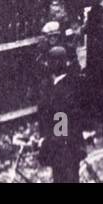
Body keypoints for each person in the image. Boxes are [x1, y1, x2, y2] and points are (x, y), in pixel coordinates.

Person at [37, 46, 88, 183]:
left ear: (57, 64)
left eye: (50, 62)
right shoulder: (55, 84)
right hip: (60, 148)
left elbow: (61, 125)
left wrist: (47, 140)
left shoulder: (65, 89)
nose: (47, 65)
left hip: (67, 150)